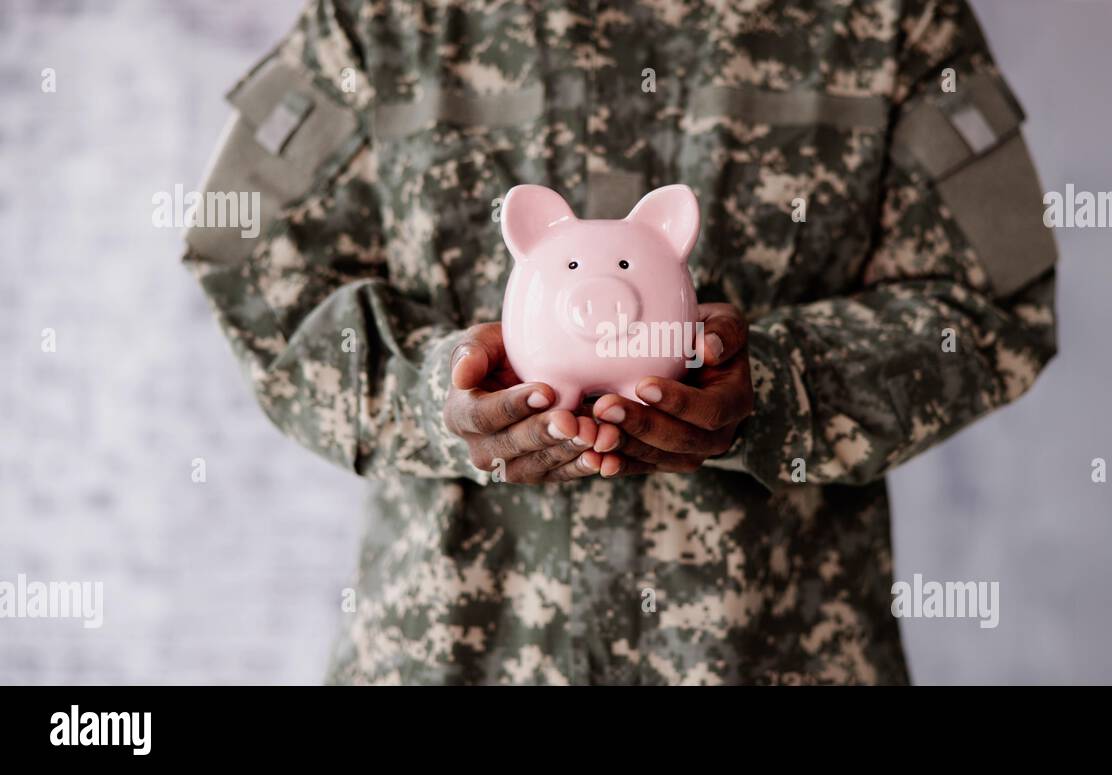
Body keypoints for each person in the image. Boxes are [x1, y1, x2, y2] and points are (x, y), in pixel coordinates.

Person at [183, 0, 1057, 685]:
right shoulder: (383, 16)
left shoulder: (886, 15)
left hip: (771, 653)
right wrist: (439, 393)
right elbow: (248, 258)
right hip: (452, 654)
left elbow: (993, 302)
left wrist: (780, 384)